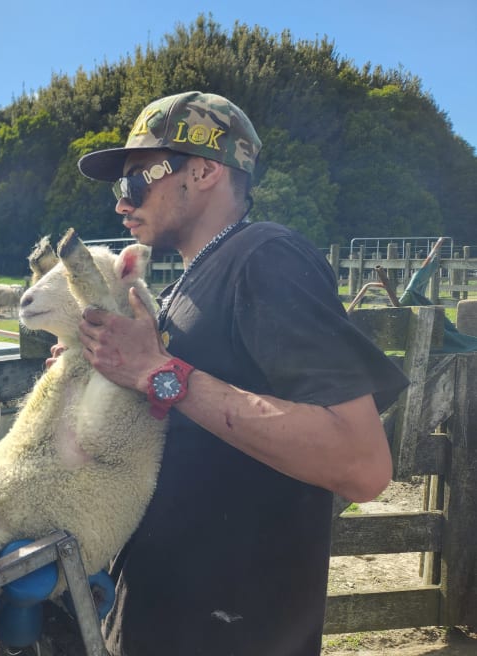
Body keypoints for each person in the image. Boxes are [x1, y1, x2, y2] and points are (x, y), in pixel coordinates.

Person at [73, 91, 409, 655]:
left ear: (203, 170)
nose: (121, 204)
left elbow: (362, 464)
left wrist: (161, 372)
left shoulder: (265, 259)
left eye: (135, 182)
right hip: (171, 619)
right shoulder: (189, 284)